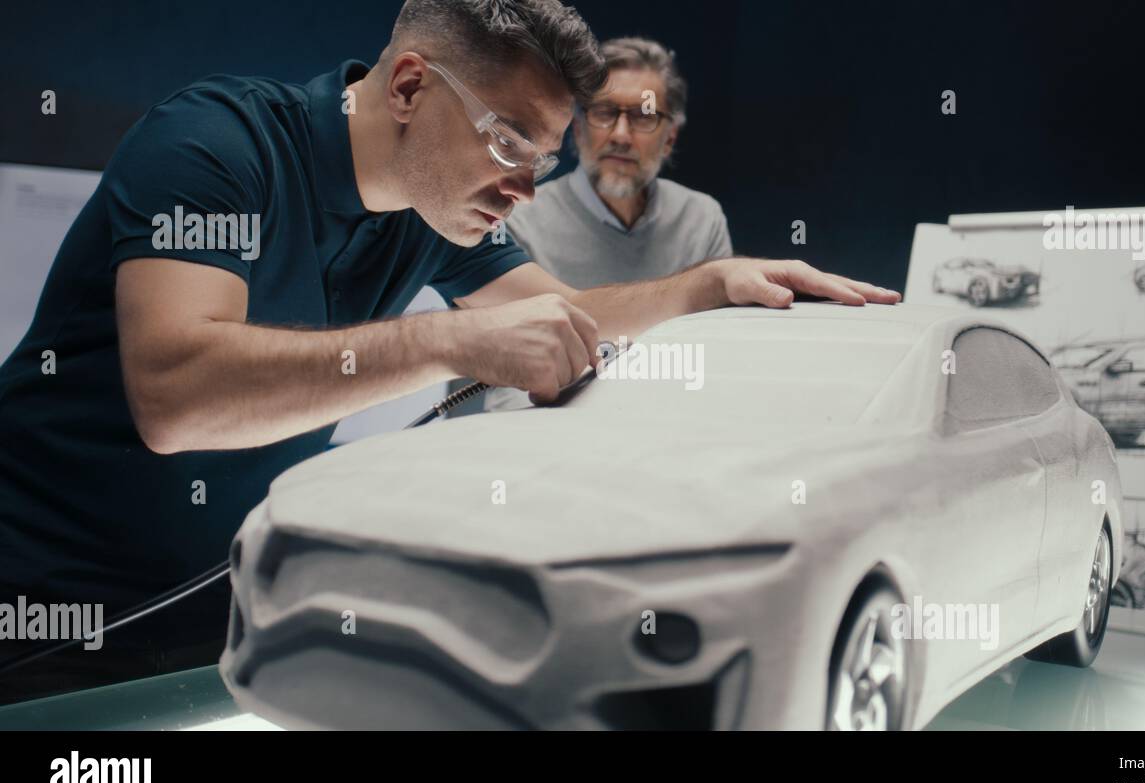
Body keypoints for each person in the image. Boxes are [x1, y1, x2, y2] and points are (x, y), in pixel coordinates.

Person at [0, 0, 898, 700]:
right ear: (407, 88)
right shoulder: (211, 148)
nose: (520, 191)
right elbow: (178, 397)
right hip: (43, 610)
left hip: (220, 603)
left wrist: (708, 285)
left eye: (542, 163)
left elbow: (571, 314)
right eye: (507, 143)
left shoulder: (437, 215)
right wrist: (450, 340)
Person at [486, 36, 731, 411]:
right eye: (603, 112)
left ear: (669, 139)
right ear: (579, 128)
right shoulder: (520, 220)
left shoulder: (702, 219)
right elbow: (510, 389)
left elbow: (714, 362)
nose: (620, 134)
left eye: (643, 116)